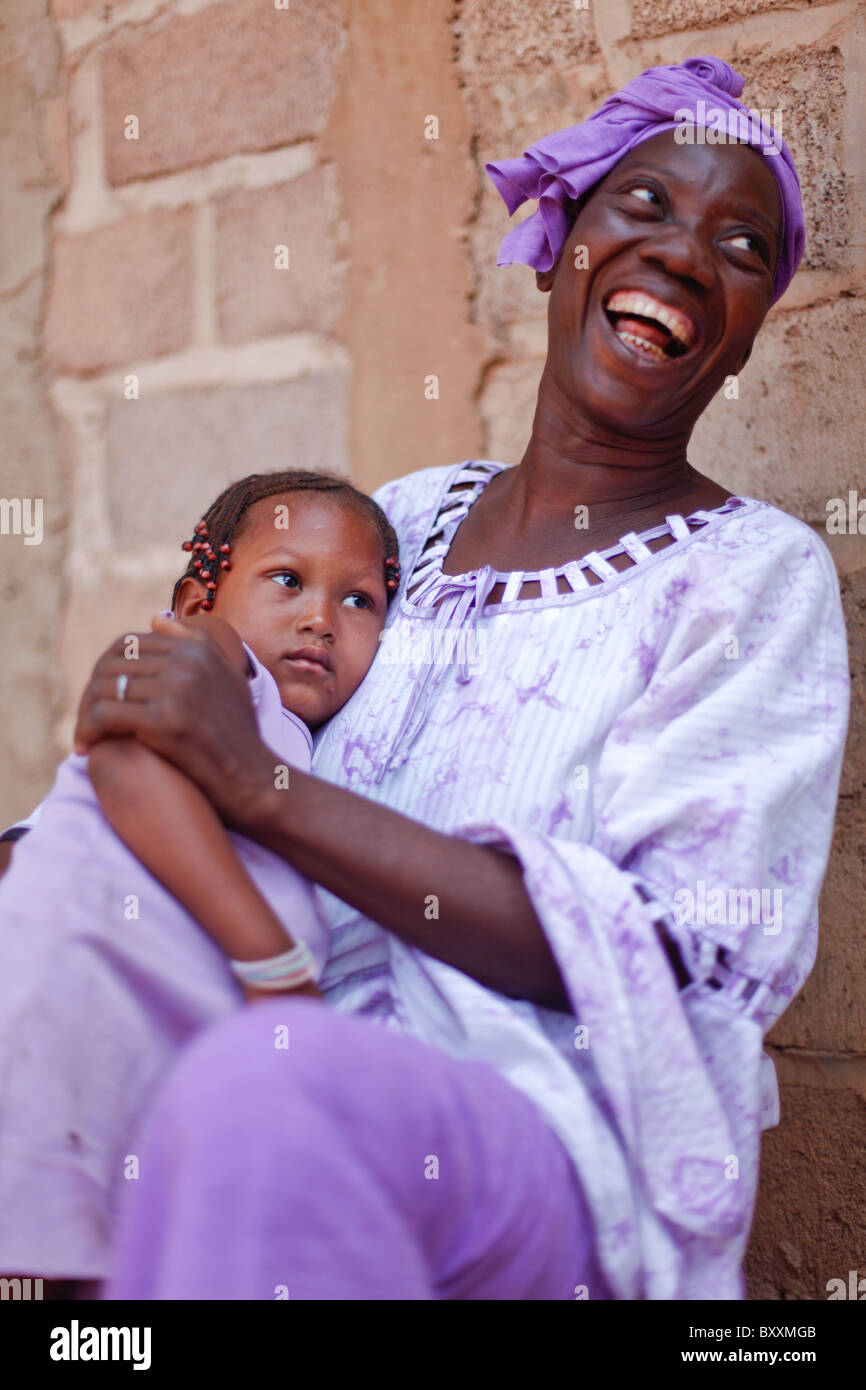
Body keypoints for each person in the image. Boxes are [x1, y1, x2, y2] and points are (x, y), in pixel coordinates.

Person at [6, 56, 852, 1301]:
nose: (682, 254)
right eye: (644, 206)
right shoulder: (394, 525)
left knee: (267, 1088)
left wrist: (257, 791)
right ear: (561, 240)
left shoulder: (749, 582)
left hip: (535, 1132)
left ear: (740, 346)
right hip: (256, 1039)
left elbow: (657, 957)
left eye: (739, 247)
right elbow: (228, 719)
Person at [0, 468, 402, 1292]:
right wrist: (274, 969)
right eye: (287, 580)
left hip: (133, 1025)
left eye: (359, 601)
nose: (320, 619)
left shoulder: (299, 746)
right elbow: (125, 767)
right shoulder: (211, 660)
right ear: (196, 600)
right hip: (72, 973)